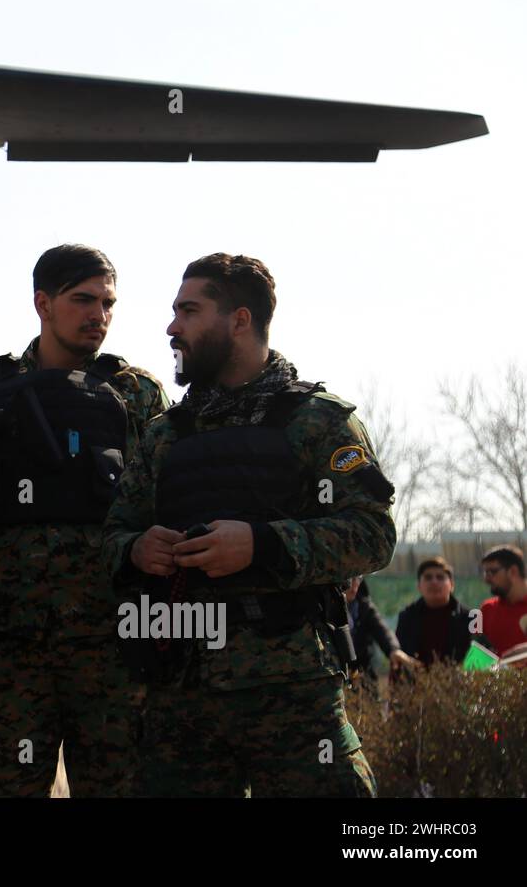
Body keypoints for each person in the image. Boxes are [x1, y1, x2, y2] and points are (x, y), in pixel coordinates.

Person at [101, 252, 396, 797]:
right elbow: (113, 537)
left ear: (239, 319)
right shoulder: (166, 435)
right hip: (180, 696)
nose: (172, 327)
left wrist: (260, 544)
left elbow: (372, 535)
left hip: (293, 692)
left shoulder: (319, 420)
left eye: (188, 311)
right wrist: (137, 549)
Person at [0, 244, 169, 797]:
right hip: (9, 656)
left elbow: (171, 510)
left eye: (108, 303)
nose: (100, 315)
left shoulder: (136, 395)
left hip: (114, 655)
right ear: (43, 303)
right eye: (83, 299)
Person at [394, 557, 474, 665]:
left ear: (452, 585)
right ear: (419, 586)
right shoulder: (407, 617)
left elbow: (481, 659)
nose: (434, 582)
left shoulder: (471, 618)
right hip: (417, 680)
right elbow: (400, 659)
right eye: (428, 577)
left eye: (440, 577)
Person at [344, 576, 414, 682]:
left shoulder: (363, 605)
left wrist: (393, 650)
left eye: (358, 578)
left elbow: (381, 629)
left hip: (363, 675)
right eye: (349, 579)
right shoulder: (326, 608)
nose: (354, 585)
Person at [477, 545, 527, 656]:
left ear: (513, 571)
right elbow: (475, 652)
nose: (486, 579)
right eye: (485, 573)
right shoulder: (487, 609)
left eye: (492, 572)